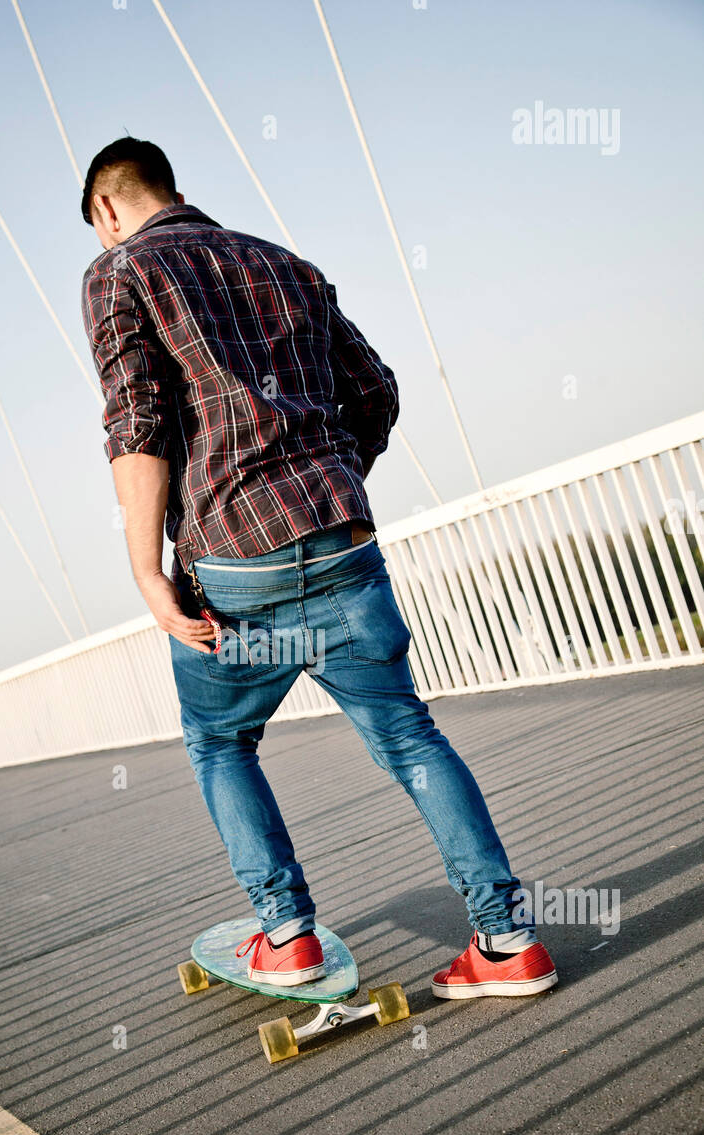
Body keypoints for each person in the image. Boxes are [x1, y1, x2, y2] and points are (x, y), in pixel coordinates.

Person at [80, 136, 558, 1001]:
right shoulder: (285, 263)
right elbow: (375, 390)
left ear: (108, 210)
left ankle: (289, 935)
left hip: (234, 568)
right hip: (343, 542)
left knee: (222, 740)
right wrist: (325, 482)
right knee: (410, 737)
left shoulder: (118, 272)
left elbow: (138, 422)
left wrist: (148, 571)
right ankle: (507, 941)